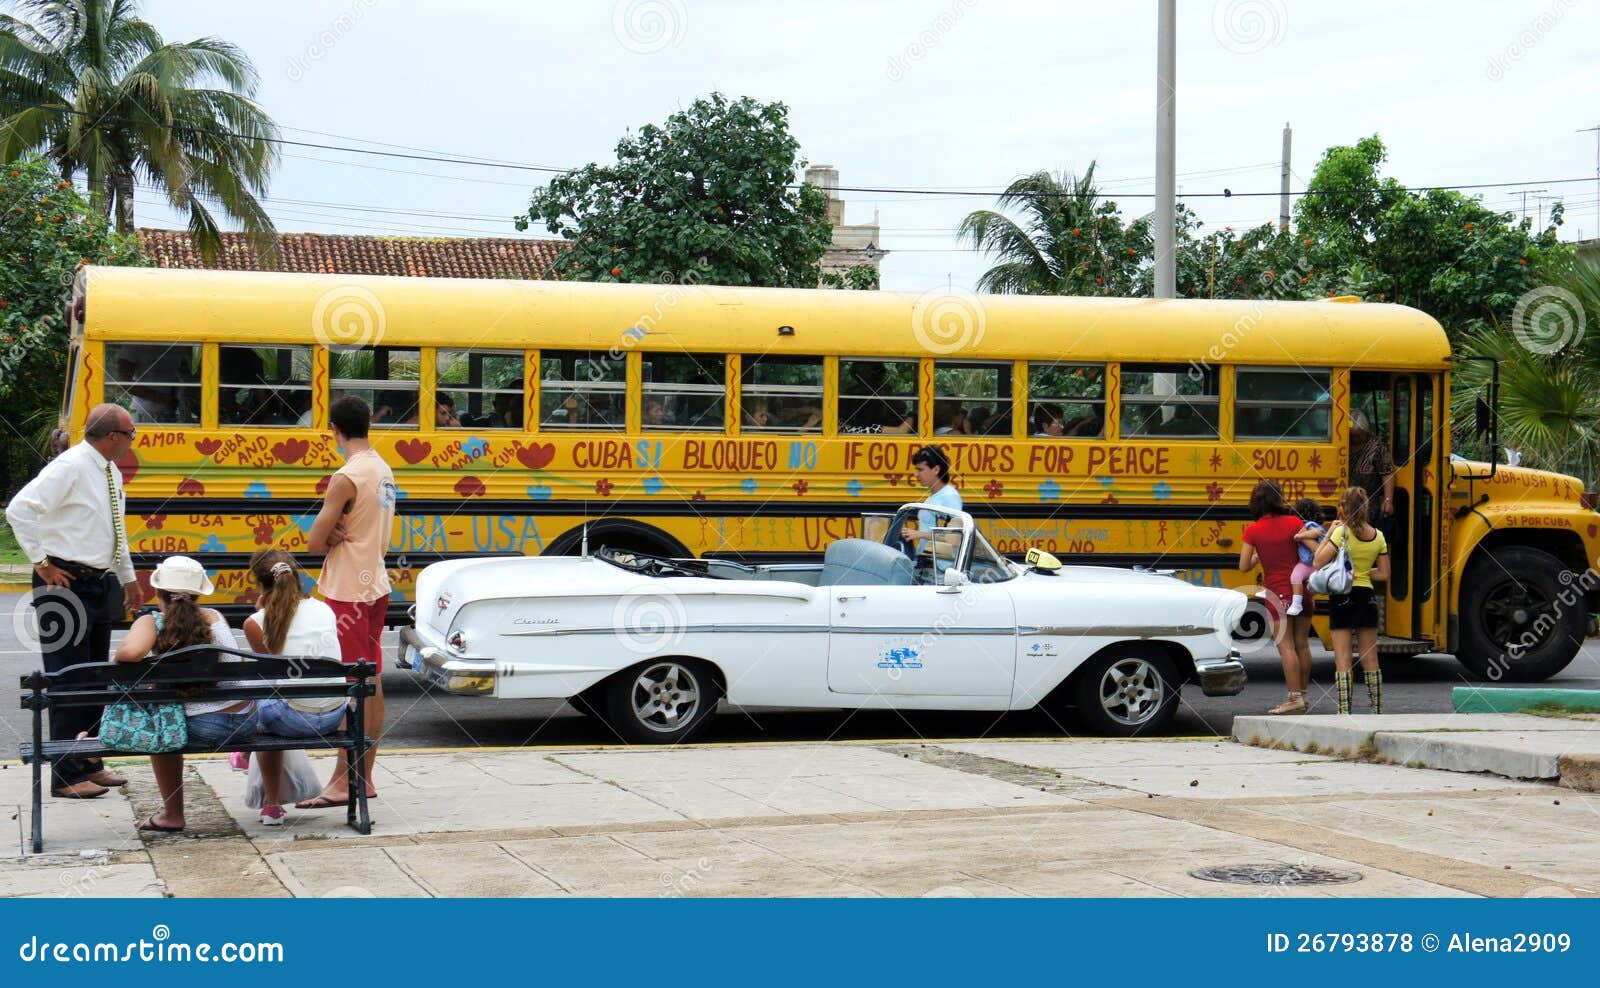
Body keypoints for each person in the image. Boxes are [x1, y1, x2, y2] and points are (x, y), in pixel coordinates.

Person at [5, 404, 142, 798]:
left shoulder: (109, 470)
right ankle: (66, 775)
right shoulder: (70, 465)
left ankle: (89, 759)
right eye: (131, 434)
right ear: (113, 436)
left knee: (95, 675)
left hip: (97, 582)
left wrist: (128, 579)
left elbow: (116, 531)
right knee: (68, 678)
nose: (134, 441)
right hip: (64, 583)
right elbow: (19, 510)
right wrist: (43, 564)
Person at [298, 395, 396, 810]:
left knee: (352, 684)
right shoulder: (383, 469)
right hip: (375, 581)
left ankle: (345, 780)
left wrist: (331, 530)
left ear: (334, 429)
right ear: (368, 424)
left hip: (347, 590)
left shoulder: (346, 477)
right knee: (370, 679)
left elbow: (313, 542)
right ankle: (363, 776)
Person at [113, 556, 250, 833]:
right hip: (246, 724)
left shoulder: (153, 622)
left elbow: (128, 654)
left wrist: (143, 630)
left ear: (157, 591)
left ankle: (173, 814)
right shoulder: (216, 618)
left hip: (205, 727)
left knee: (163, 723)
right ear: (199, 592)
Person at [241, 550, 347, 827]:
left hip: (289, 719)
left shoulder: (255, 623)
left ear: (261, 585)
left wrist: (259, 613)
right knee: (279, 700)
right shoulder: (325, 610)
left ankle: (272, 804)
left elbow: (269, 673)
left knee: (266, 700)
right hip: (335, 715)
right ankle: (246, 758)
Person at [1312, 486, 1390, 715]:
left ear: (1344, 510)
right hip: (1366, 596)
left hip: (1342, 597)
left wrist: (1328, 533)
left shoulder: (1340, 533)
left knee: (1343, 657)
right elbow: (1384, 574)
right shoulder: (1378, 537)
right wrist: (1363, 573)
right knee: (1370, 657)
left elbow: (1317, 561)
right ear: (1366, 508)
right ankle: (1377, 710)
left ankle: (1345, 711)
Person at [1239, 479, 1314, 716]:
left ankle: (1293, 699)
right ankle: (1303, 695)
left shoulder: (1253, 531)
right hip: (1302, 589)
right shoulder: (1295, 522)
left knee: (1285, 646)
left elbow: (1243, 566)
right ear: (1279, 499)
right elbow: (1310, 551)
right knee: (1302, 644)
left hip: (1277, 592)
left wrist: (1258, 557)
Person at [902, 445, 963, 566]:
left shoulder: (949, 497)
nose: (916, 474)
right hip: (927, 563)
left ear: (936, 470)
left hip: (942, 568)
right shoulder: (932, 497)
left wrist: (919, 534)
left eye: (920, 470)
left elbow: (954, 539)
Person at [1349, 409, 1396, 525]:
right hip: (1345, 499)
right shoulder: (1343, 442)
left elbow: (1387, 472)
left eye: (1359, 434)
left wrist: (1388, 500)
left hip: (1368, 501)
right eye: (1353, 435)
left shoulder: (1376, 446)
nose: (1356, 439)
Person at [1286, 497, 1326, 617]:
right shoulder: (1308, 525)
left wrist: (1300, 536)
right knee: (1308, 583)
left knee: (1296, 576)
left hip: (1310, 561)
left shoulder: (1308, 525)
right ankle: (1309, 599)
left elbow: (1317, 532)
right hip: (1313, 562)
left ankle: (1297, 603)